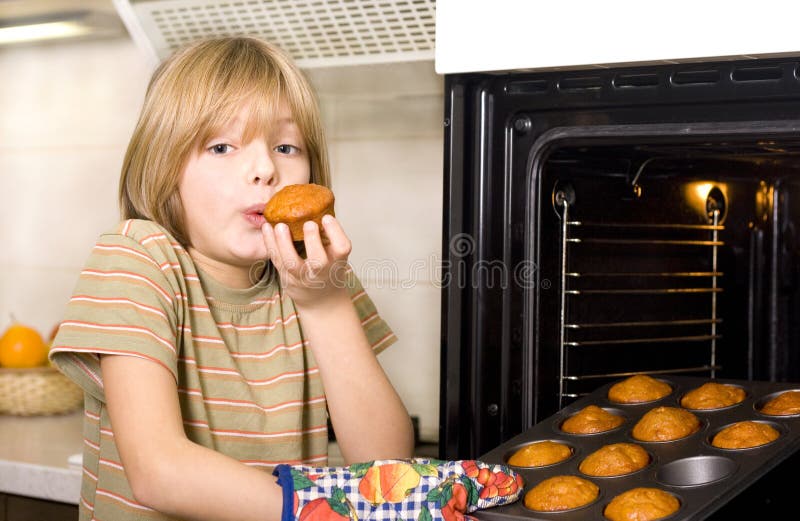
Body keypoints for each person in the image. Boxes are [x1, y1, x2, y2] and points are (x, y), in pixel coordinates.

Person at [50, 36, 521, 521]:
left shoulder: (316, 274)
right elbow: (158, 472)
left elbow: (385, 466)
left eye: (285, 146)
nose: (264, 169)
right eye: (221, 146)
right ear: (164, 167)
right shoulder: (137, 257)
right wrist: (317, 508)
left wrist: (325, 304)